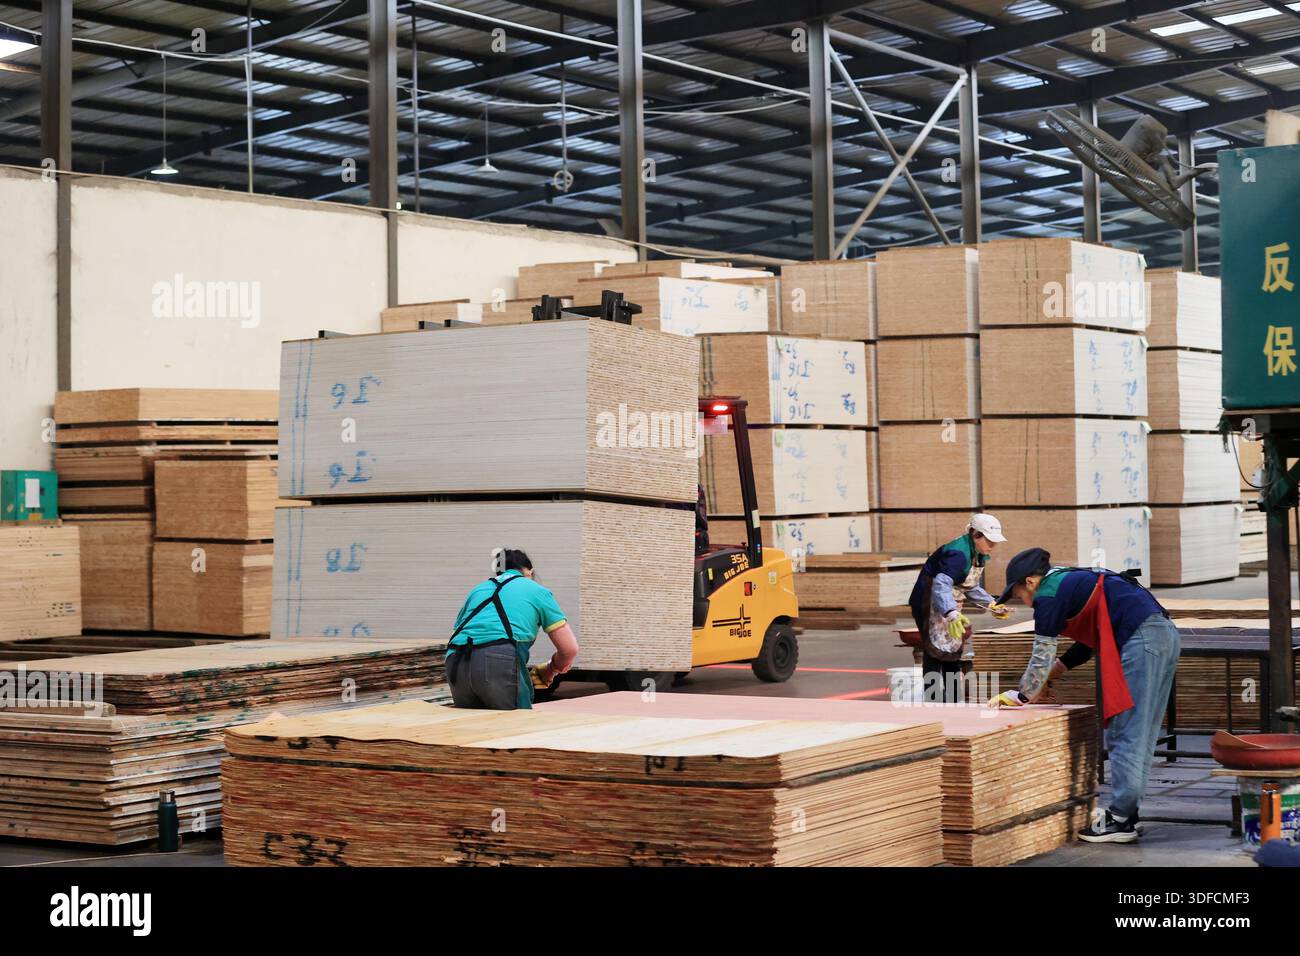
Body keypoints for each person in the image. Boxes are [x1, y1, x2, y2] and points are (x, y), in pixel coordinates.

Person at [987, 547, 1180, 844]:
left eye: (1018, 595)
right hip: (1161, 635)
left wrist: (1022, 695)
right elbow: (1087, 643)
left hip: (1141, 640)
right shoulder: (1071, 580)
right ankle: (1126, 814)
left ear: (1029, 582)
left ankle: (1118, 819)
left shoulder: (1048, 595)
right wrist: (1056, 672)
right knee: (1141, 731)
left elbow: (1042, 653)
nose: (1023, 602)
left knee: (1125, 730)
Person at [446, 549, 579, 710]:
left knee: (474, 730)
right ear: (529, 571)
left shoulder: (478, 589)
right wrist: (551, 669)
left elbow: (455, 635)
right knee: (516, 727)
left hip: (455, 661)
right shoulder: (536, 590)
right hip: (497, 659)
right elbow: (569, 649)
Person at [907, 514, 1010, 703]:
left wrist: (991, 604)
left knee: (953, 651)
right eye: (990, 540)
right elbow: (940, 585)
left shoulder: (978, 554)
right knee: (935, 651)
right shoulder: (958, 554)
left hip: (948, 603)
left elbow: (969, 585)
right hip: (930, 602)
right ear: (976, 535)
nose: (993, 546)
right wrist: (951, 613)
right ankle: (933, 701)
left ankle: (954, 700)